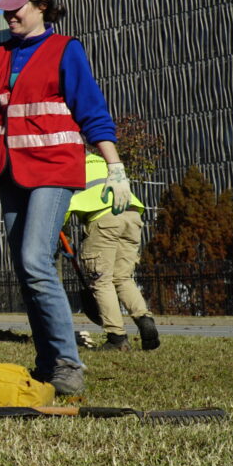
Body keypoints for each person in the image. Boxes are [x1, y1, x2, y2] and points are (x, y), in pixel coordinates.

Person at [0, 0, 131, 396]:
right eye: (4, 10)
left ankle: (67, 364)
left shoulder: (66, 50)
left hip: (54, 170)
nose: (9, 17)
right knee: (27, 271)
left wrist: (115, 169)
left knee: (35, 259)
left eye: (16, 9)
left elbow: (92, 111)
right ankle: (46, 363)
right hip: (10, 173)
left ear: (42, 5)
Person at [67, 149, 161, 351]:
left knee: (102, 280)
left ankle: (116, 337)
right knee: (123, 278)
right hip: (132, 216)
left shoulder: (68, 166)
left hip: (103, 220)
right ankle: (144, 318)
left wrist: (59, 232)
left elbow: (62, 206)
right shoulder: (102, 160)